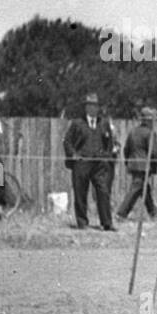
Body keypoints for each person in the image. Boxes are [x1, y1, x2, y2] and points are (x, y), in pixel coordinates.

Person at [62, 92, 119, 230]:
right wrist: (73, 155)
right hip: (82, 162)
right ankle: (82, 222)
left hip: (99, 163)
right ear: (86, 108)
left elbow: (110, 142)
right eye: (90, 106)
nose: (94, 109)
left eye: (96, 106)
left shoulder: (103, 123)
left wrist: (107, 157)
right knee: (80, 192)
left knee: (103, 190)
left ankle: (107, 222)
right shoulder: (77, 123)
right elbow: (67, 141)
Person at [117, 107, 157, 221]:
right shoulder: (150, 133)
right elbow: (153, 152)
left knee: (145, 189)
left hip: (133, 165)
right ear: (148, 120)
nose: (153, 122)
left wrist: (128, 162)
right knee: (135, 189)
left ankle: (153, 213)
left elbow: (126, 149)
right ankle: (121, 213)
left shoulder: (133, 131)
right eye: (152, 120)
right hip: (143, 167)